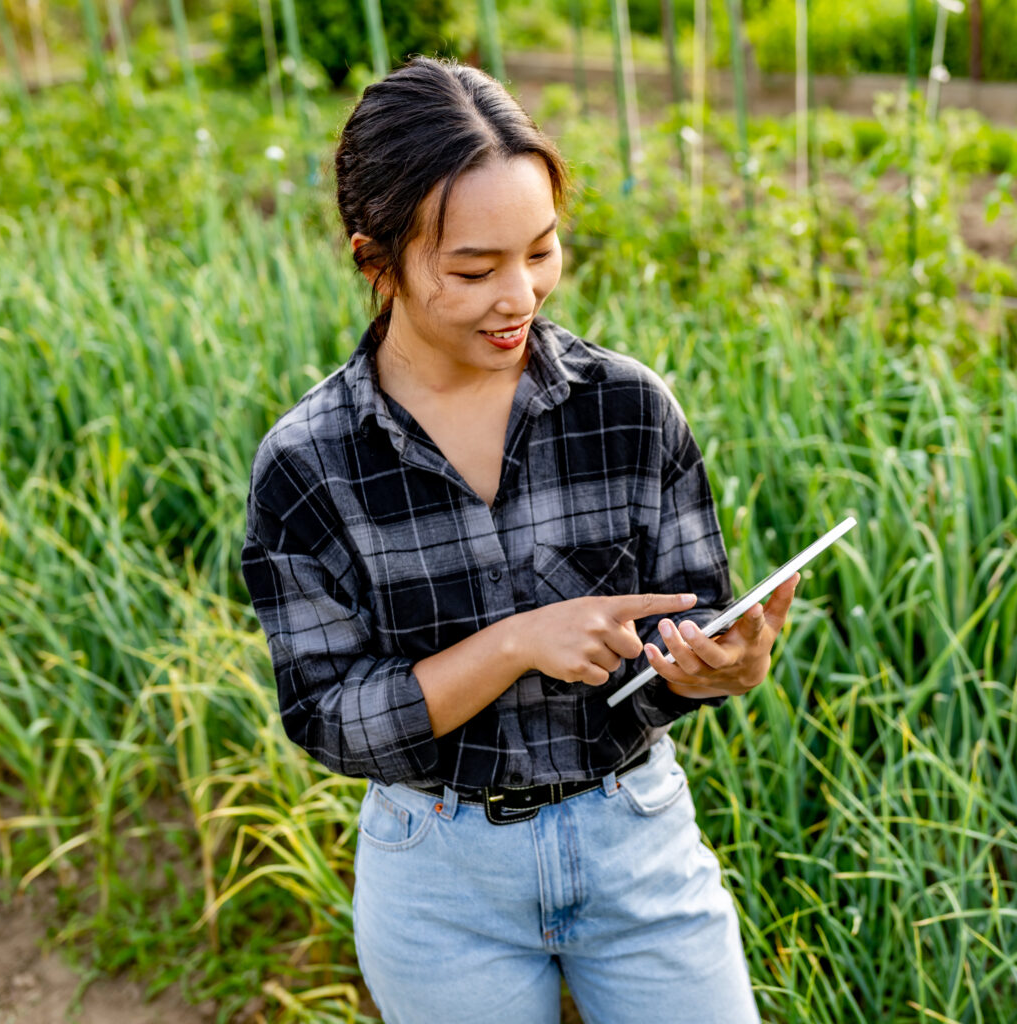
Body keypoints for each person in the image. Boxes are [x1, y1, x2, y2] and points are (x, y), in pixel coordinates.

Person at [239, 55, 798, 1024]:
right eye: (473, 268)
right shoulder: (309, 464)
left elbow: (686, 618)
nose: (520, 293)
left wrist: (717, 664)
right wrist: (514, 644)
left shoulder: (626, 407)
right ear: (377, 261)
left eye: (540, 250)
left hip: (637, 840)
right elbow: (328, 716)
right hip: (441, 880)